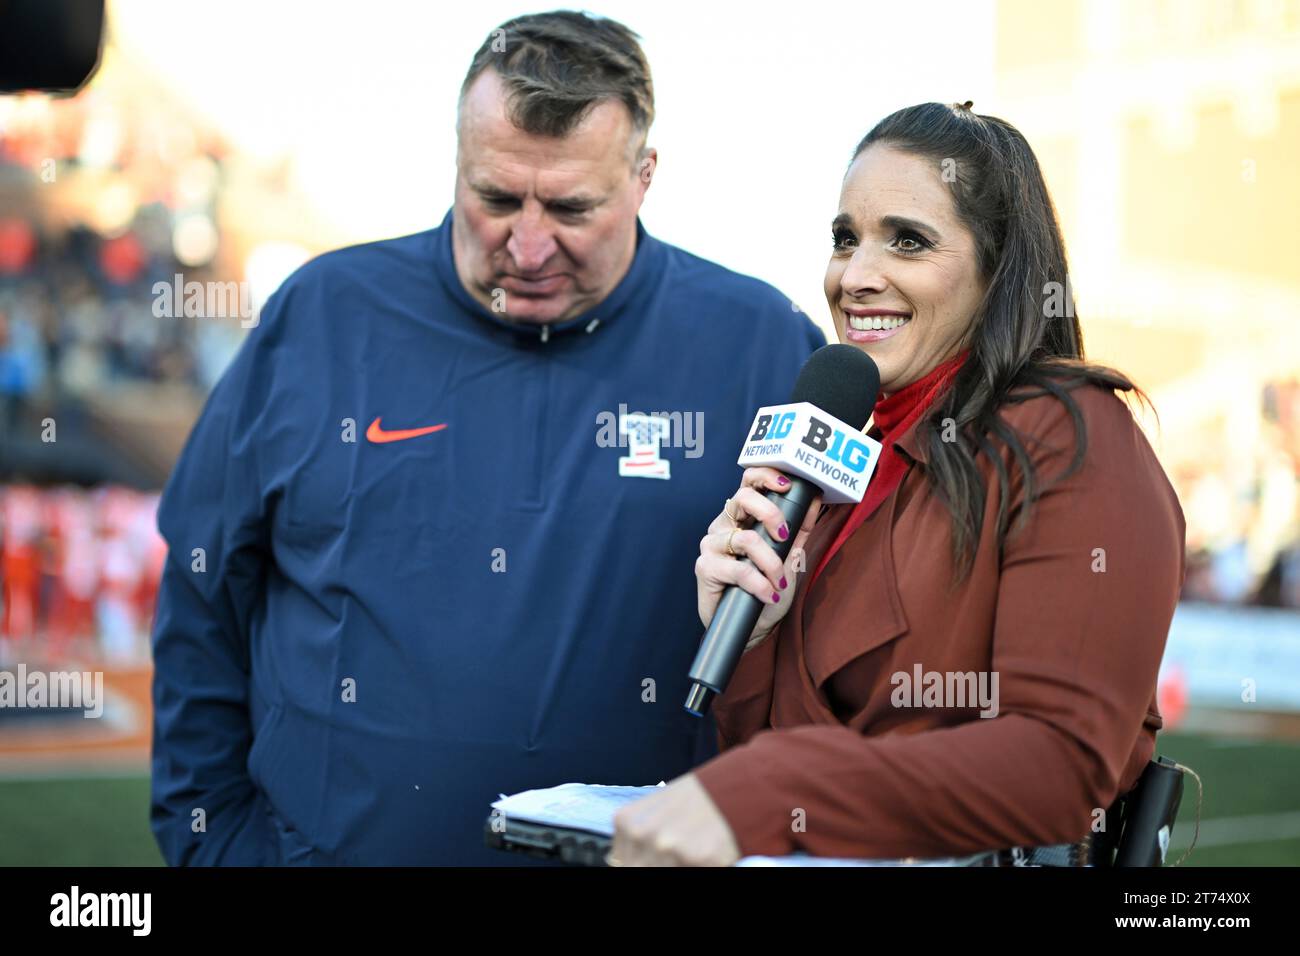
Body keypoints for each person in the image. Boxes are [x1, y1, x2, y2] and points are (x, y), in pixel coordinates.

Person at [149, 11, 824, 866]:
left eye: (571, 207)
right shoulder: (322, 315)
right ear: (457, 163)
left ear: (644, 177)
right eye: (498, 198)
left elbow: (831, 638)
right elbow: (203, 594)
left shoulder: (760, 340)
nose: (530, 245)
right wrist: (212, 842)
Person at [610, 102, 1186, 866]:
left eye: (907, 242)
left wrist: (776, 789)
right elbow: (786, 773)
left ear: (998, 269)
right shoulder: (847, 463)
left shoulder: (1070, 434)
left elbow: (1063, 766)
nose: (855, 276)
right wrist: (755, 638)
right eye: (845, 239)